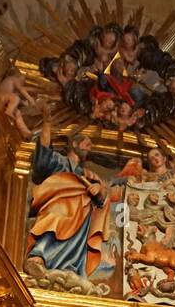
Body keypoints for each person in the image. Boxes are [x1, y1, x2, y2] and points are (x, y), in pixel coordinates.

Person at [25, 105, 112, 281]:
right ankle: (39, 256)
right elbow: (43, 158)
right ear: (74, 144)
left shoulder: (88, 174)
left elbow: (102, 200)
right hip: (58, 203)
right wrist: (47, 124)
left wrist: (99, 191)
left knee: (79, 228)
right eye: (87, 144)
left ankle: (70, 266)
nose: (89, 148)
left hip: (82, 215)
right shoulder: (59, 161)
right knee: (58, 213)